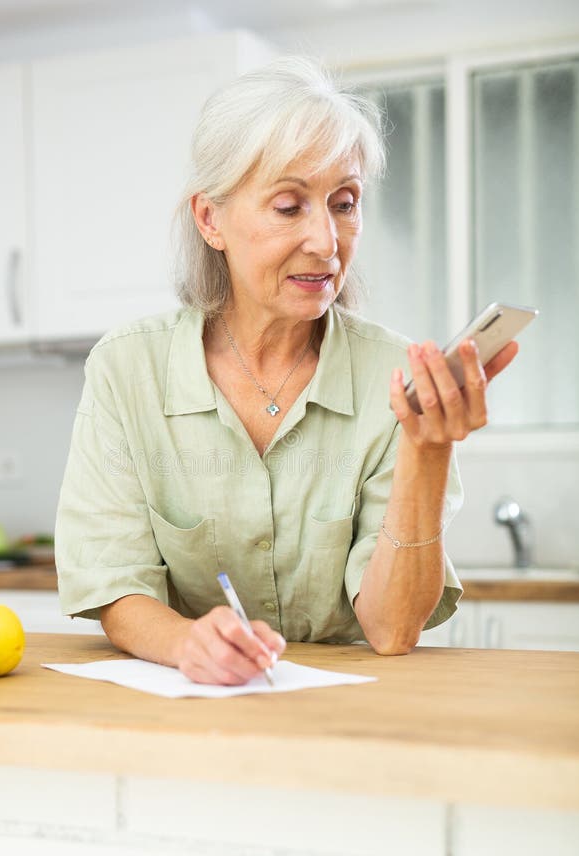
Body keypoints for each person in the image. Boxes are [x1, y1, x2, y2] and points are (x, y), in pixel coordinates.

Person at [54, 57, 518, 685]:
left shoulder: (393, 374)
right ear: (210, 219)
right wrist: (192, 643)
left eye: (344, 203)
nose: (327, 242)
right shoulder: (126, 369)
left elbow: (392, 628)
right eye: (288, 206)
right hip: (189, 712)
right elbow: (114, 584)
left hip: (353, 721)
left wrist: (428, 450)